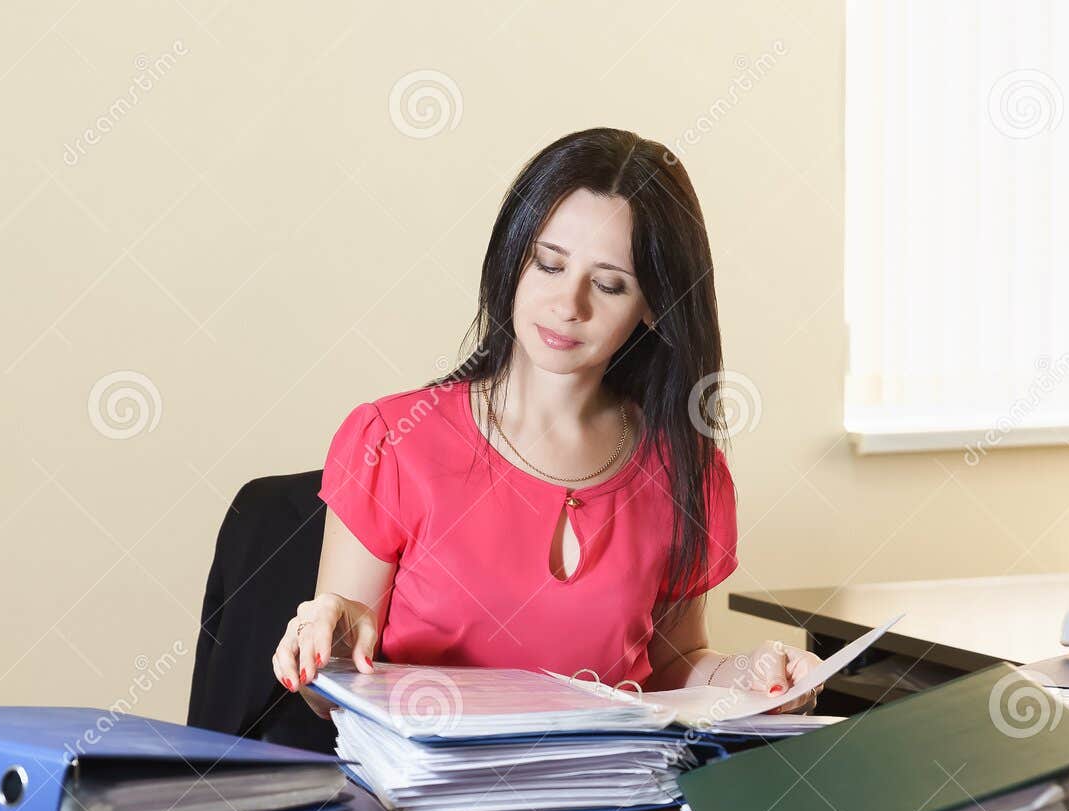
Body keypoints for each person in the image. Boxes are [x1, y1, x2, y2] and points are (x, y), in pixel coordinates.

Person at [271, 127, 821, 717]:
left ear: (655, 305)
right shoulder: (392, 442)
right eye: (549, 265)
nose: (569, 305)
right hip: (421, 801)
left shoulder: (686, 471)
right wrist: (326, 653)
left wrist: (755, 674)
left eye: (610, 284)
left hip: (603, 796)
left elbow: (672, 665)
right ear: (513, 261)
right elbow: (329, 697)